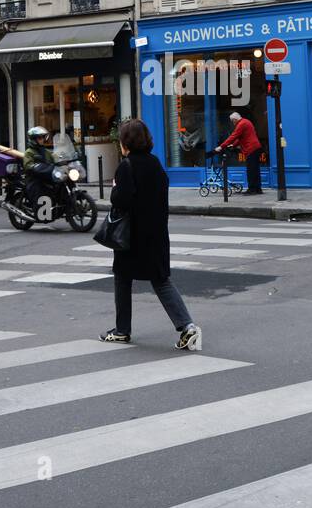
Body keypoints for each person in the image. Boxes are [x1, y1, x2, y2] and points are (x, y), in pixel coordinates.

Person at [99, 120, 202, 350]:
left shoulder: (127, 166)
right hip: (155, 233)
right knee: (161, 281)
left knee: (122, 278)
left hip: (132, 236)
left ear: (126, 142)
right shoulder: (155, 164)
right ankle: (187, 327)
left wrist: (116, 187)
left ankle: (122, 330)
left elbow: (120, 200)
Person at [215, 112, 263, 195]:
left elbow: (233, 136)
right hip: (256, 148)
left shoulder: (241, 124)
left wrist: (221, 146)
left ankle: (251, 189)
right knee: (255, 170)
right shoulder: (246, 121)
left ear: (234, 120)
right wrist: (233, 145)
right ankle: (258, 189)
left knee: (251, 170)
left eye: (232, 121)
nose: (233, 123)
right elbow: (240, 137)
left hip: (251, 149)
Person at [22, 125, 56, 215]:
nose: (42, 140)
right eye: (40, 138)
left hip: (46, 176)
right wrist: (35, 166)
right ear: (33, 139)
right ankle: (42, 212)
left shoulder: (46, 151)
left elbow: (55, 159)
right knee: (40, 189)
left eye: (43, 138)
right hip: (34, 178)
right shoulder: (29, 152)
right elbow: (28, 165)